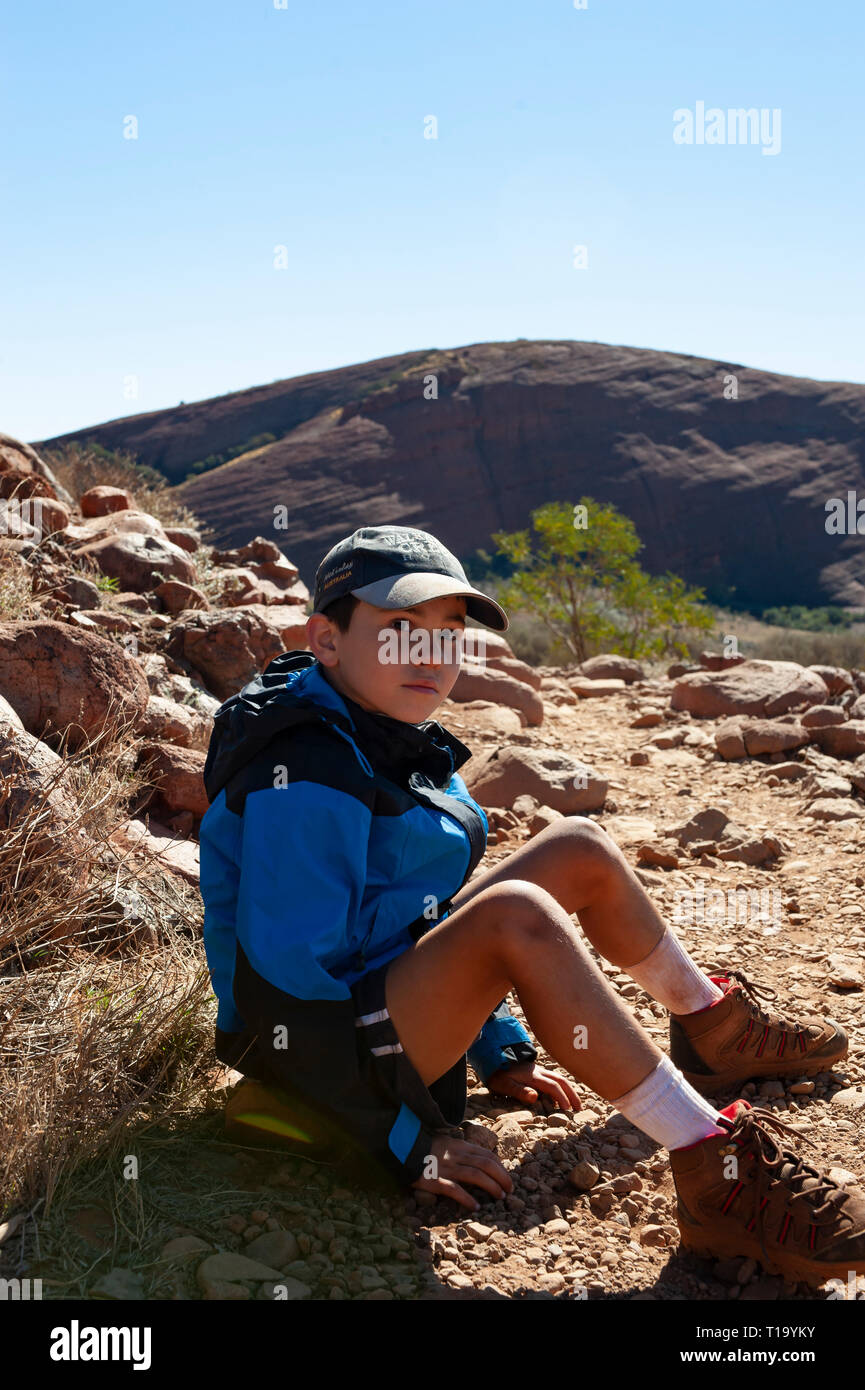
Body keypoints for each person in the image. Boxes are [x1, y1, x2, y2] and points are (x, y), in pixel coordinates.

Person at [199, 524, 865, 1287]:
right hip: (316, 1063)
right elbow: (283, 995)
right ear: (326, 637)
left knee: (576, 845)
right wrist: (405, 1140)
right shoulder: (307, 771)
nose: (428, 657)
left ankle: (713, 1030)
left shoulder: (375, 728)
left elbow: (412, 912)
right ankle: (713, 1170)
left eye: (447, 636)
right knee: (518, 912)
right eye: (398, 631)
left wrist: (496, 1046)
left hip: (376, 1013)